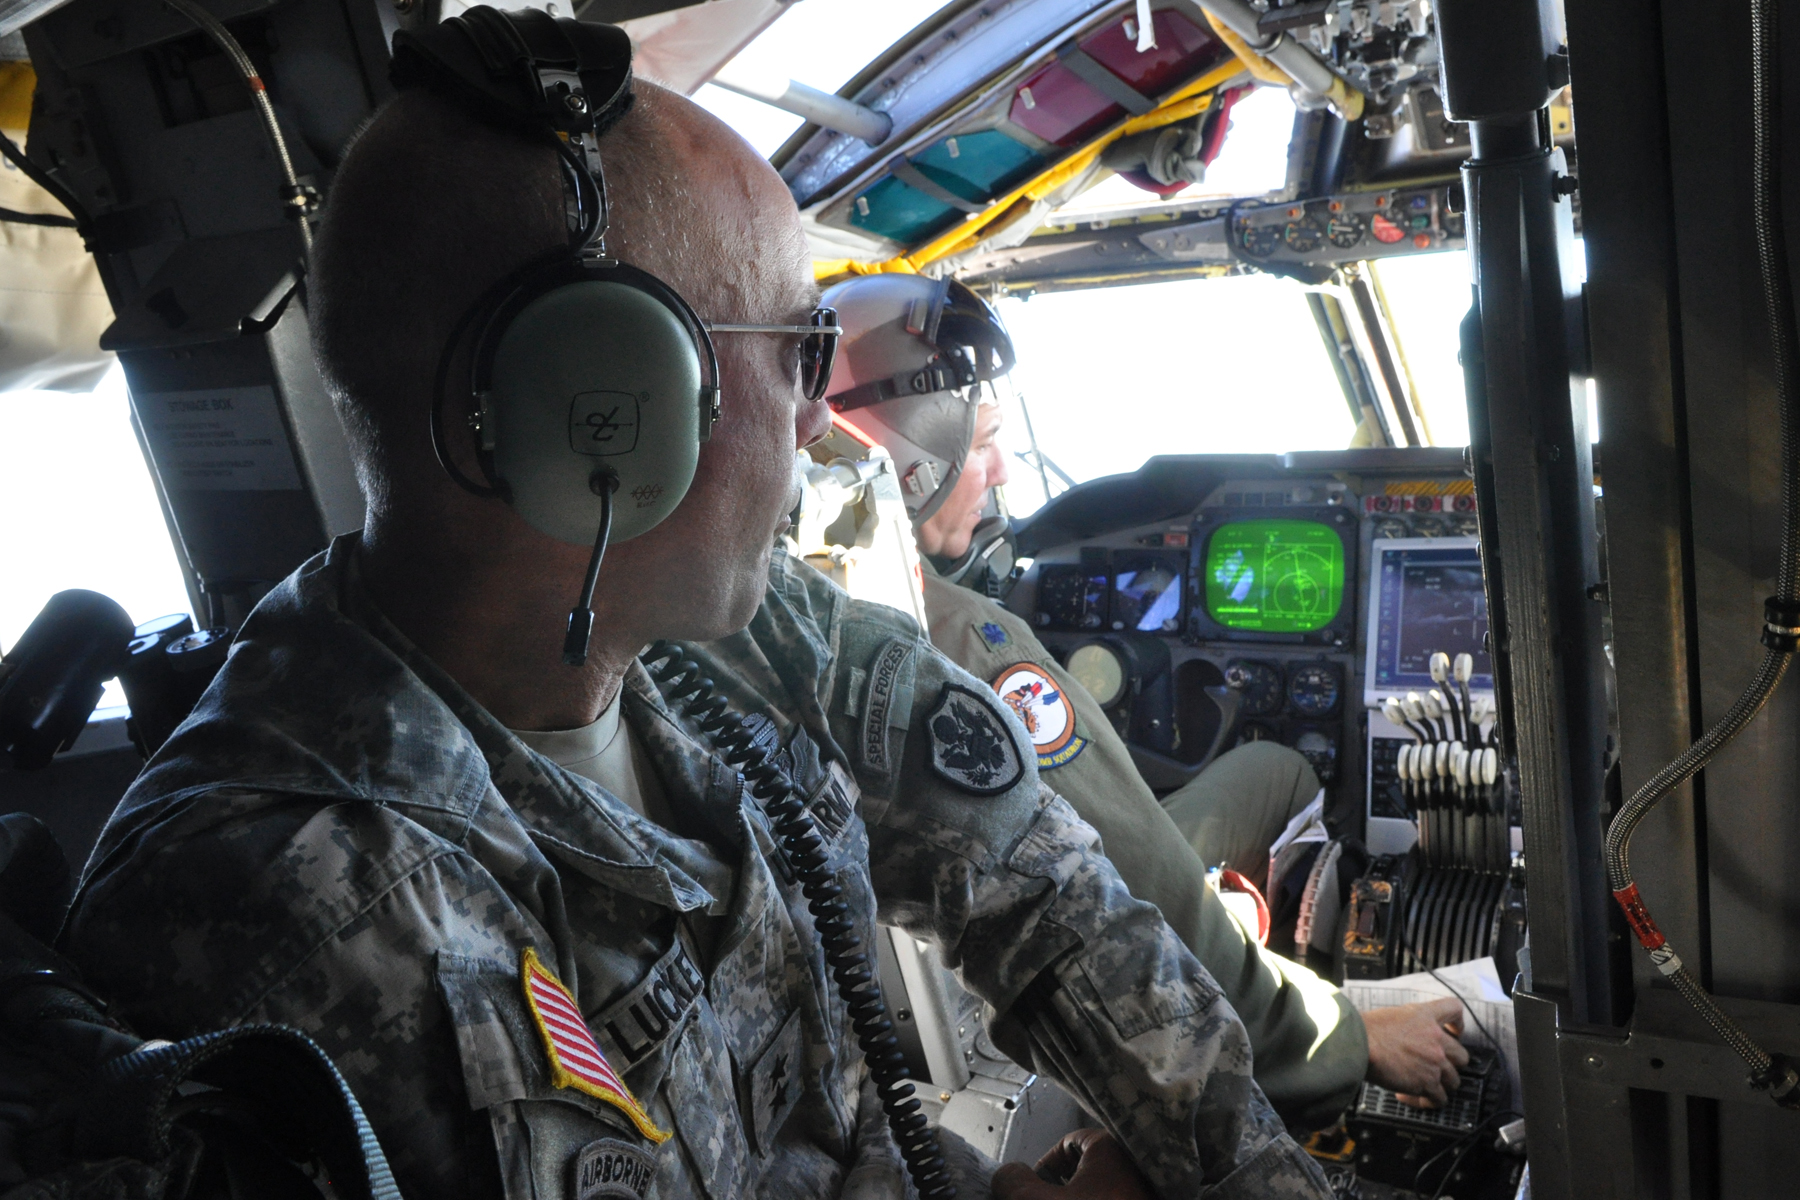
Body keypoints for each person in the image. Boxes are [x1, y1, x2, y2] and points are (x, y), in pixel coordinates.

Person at [57, 12, 1332, 1200]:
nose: (818, 422)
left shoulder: (742, 630)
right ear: (600, 413)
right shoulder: (301, 908)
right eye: (796, 350)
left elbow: (1045, 892)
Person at [819, 273, 1471, 1126]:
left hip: (909, 980)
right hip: (1030, 984)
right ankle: (1288, 959)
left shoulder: (787, 607)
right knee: (1268, 784)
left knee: (1268, 769)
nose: (1003, 469)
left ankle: (1252, 931)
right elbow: (1144, 881)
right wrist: (1350, 1033)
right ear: (910, 458)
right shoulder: (957, 635)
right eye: (982, 442)